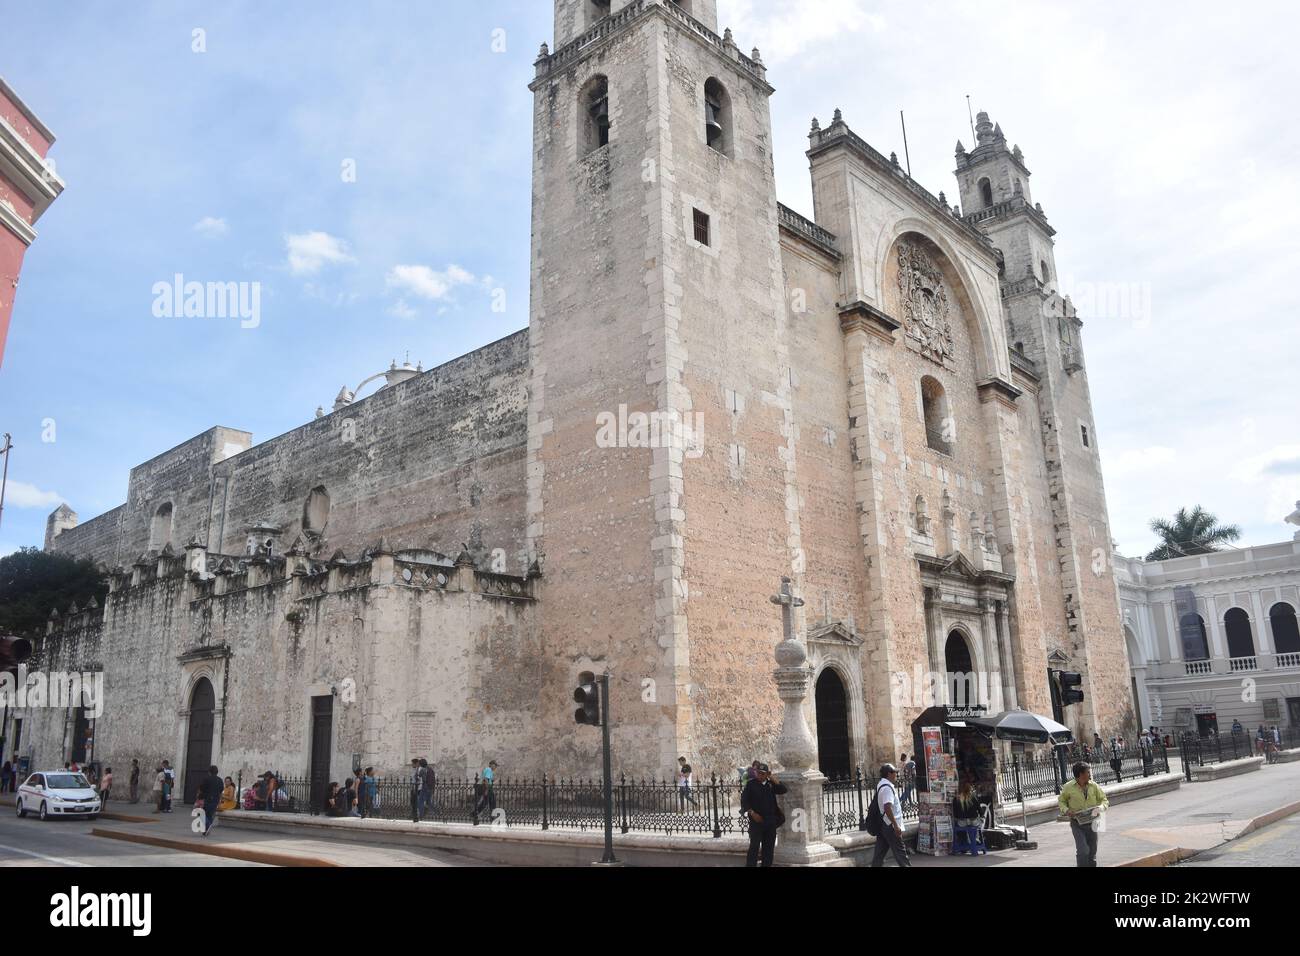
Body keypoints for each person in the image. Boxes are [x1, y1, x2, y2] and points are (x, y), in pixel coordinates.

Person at [1058, 762, 1109, 867]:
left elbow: (1104, 800)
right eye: (1087, 772)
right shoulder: (1068, 787)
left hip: (1093, 822)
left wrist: (1100, 808)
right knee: (1083, 850)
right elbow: (1061, 801)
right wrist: (1067, 810)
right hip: (1077, 824)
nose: (1089, 774)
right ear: (1081, 774)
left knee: (1092, 851)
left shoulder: (1093, 785)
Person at [740, 763, 787, 867]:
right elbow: (744, 801)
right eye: (758, 773)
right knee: (754, 847)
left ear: (767, 774)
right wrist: (752, 813)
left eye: (762, 774)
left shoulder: (770, 785)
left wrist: (772, 778)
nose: (760, 775)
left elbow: (783, 790)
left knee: (768, 848)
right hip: (756, 821)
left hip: (770, 821)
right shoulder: (751, 784)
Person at [870, 763, 910, 868]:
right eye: (895, 772)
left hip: (884, 824)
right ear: (889, 774)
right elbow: (887, 807)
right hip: (890, 825)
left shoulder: (881, 784)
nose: (896, 774)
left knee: (879, 854)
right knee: (901, 853)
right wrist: (895, 825)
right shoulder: (887, 788)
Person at [198, 765, 223, 836]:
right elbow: (221, 790)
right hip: (216, 800)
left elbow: (202, 789)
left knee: (200, 813)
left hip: (207, 799)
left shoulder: (206, 779)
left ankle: (208, 825)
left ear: (209, 772)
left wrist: (199, 798)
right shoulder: (220, 780)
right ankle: (206, 830)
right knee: (209, 815)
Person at [473, 760, 498, 825]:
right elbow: (486, 779)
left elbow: (487, 779)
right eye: (495, 765)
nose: (495, 767)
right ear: (491, 764)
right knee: (492, 802)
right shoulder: (488, 769)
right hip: (488, 787)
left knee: (485, 803)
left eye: (496, 766)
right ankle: (493, 817)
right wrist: (487, 789)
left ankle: (474, 813)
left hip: (488, 787)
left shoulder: (488, 770)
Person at [409, 758, 422, 822]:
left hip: (417, 789)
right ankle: (414, 816)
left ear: (416, 763)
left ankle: (416, 816)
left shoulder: (419, 770)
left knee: (416, 803)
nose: (412, 765)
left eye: (413, 764)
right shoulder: (414, 770)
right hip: (414, 788)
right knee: (413, 802)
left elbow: (419, 780)